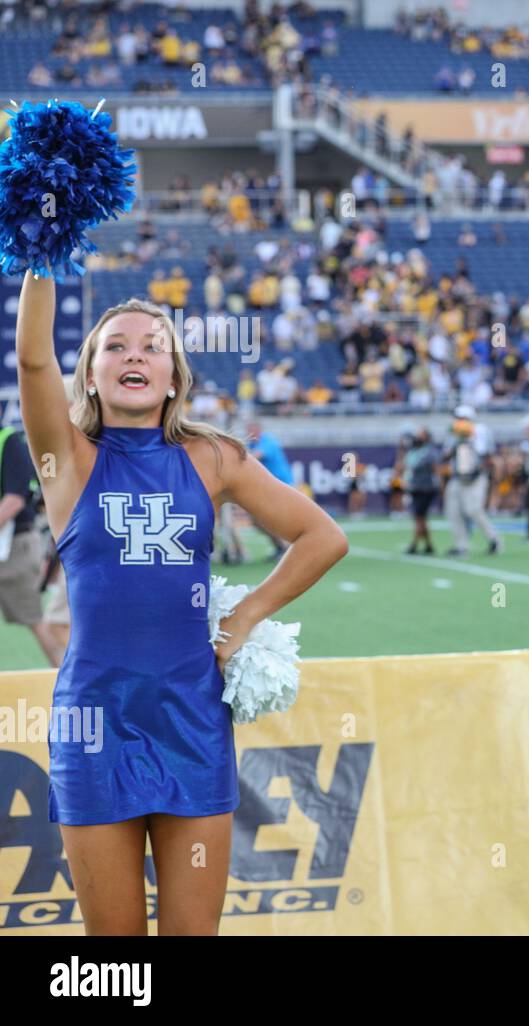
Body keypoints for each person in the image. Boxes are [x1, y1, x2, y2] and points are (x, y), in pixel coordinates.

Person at [15, 275, 349, 935]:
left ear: (174, 377)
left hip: (191, 721)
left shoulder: (214, 458)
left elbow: (323, 537)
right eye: (114, 347)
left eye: (151, 346)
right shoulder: (68, 459)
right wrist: (41, 252)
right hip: (94, 726)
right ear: (88, 376)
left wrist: (245, 615)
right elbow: (31, 358)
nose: (134, 355)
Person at [0, 420, 60, 664]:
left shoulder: (10, 440)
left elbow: (15, 500)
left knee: (37, 620)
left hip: (15, 546)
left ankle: (70, 687)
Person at [443, 405, 501, 557]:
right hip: (457, 477)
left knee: (473, 509)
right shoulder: (452, 433)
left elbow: (487, 455)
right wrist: (457, 441)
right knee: (453, 511)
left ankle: (494, 539)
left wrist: (470, 439)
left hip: (476, 477)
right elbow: (446, 455)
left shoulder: (481, 431)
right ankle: (461, 545)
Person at [245, 418, 295, 559]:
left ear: (258, 430)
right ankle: (281, 547)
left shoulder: (268, 441)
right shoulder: (253, 443)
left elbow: (253, 457)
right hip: (268, 487)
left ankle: (287, 549)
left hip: (281, 485)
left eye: (251, 430)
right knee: (258, 521)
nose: (248, 433)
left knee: (273, 520)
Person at [404, 427, 440, 555]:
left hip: (426, 488)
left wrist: (439, 485)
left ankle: (414, 544)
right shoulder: (414, 452)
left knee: (420, 517)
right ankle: (429, 545)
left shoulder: (430, 452)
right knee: (421, 517)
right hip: (416, 487)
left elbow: (436, 469)